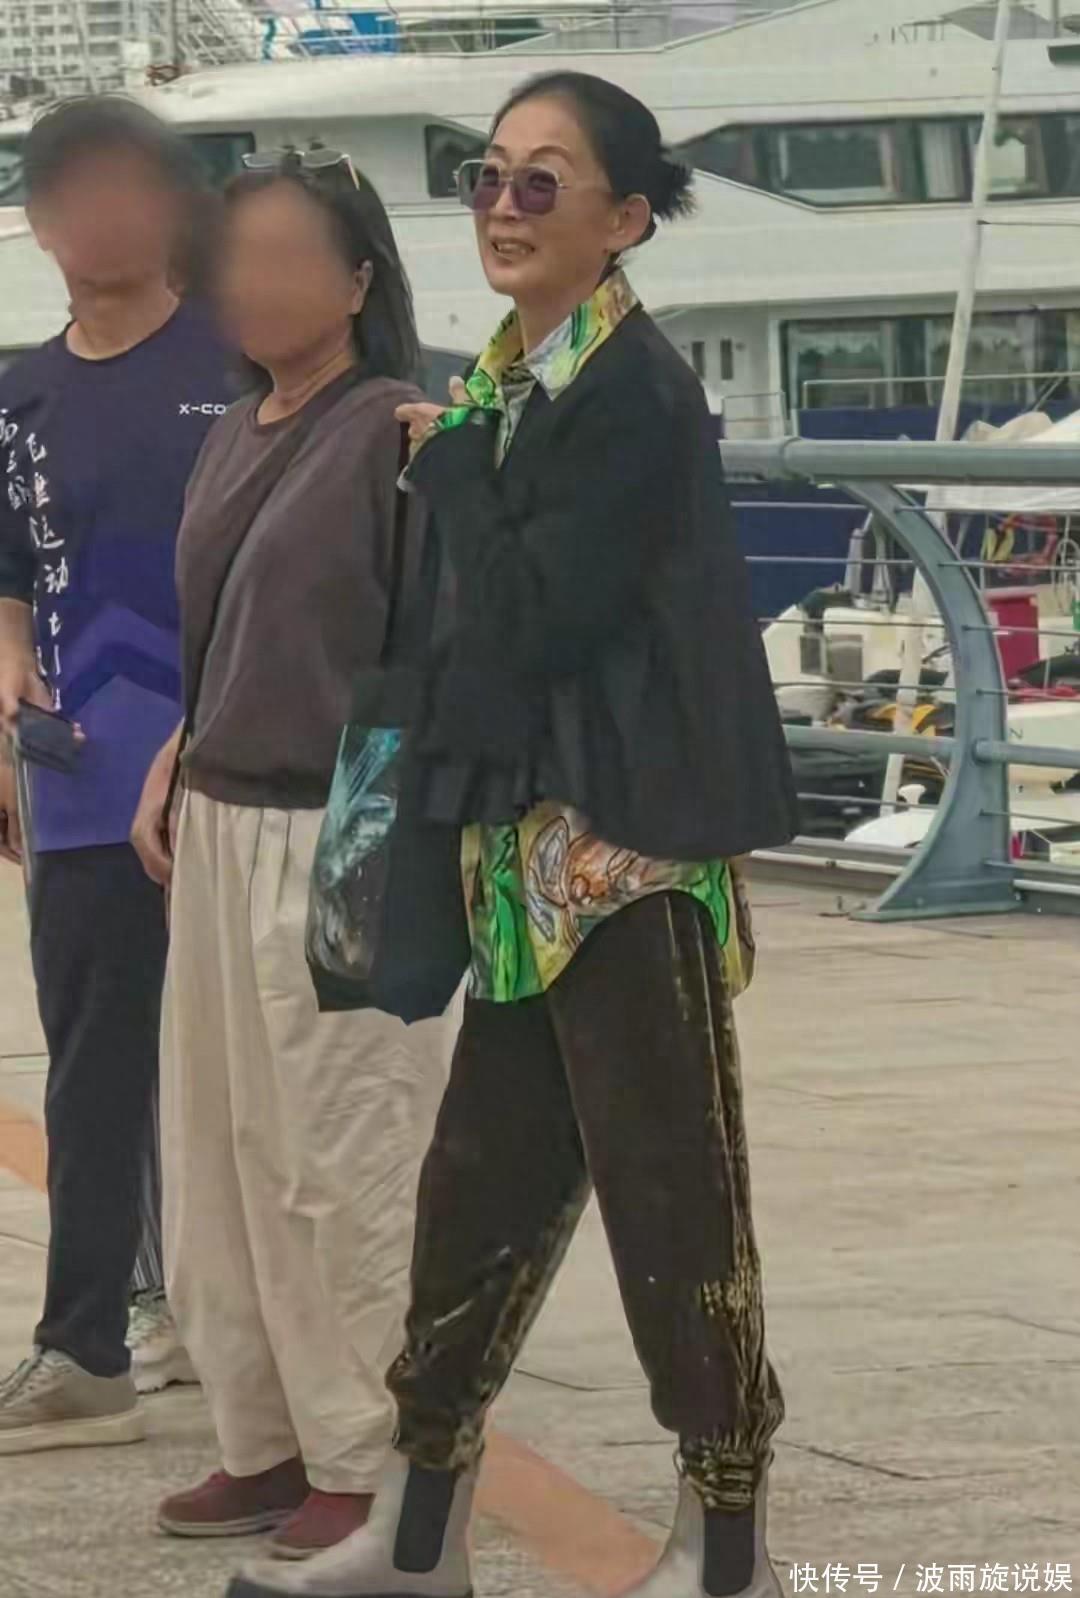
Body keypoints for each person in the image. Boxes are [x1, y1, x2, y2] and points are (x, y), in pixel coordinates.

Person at [230, 69, 798, 1598]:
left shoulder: (630, 393)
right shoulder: (507, 383)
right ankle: (418, 1540)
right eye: (487, 175)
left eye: (542, 182)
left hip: (629, 865)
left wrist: (456, 469)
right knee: (474, 1203)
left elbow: (547, 614)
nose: (502, 206)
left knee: (678, 1209)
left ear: (625, 220)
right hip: (519, 871)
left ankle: (726, 1551)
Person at [132, 150, 451, 1561]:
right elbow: (233, 635)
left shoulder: (400, 432)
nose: (251, 286)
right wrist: (178, 749)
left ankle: (366, 1458)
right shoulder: (236, 428)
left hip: (348, 819)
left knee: (344, 1146)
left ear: (360, 278)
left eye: (283, 258)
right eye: (234, 261)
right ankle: (261, 1439)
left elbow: (431, 645)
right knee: (219, 1148)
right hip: (221, 820)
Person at [0, 95, 232, 1452]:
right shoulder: (20, 393)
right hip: (80, 768)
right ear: (38, 224)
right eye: (70, 194)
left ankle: (216, 1313)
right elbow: (12, 575)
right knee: (92, 1066)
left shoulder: (238, 363)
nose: (99, 217)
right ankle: (83, 1346)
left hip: (234, 763)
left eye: (126, 188)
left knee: (241, 1064)